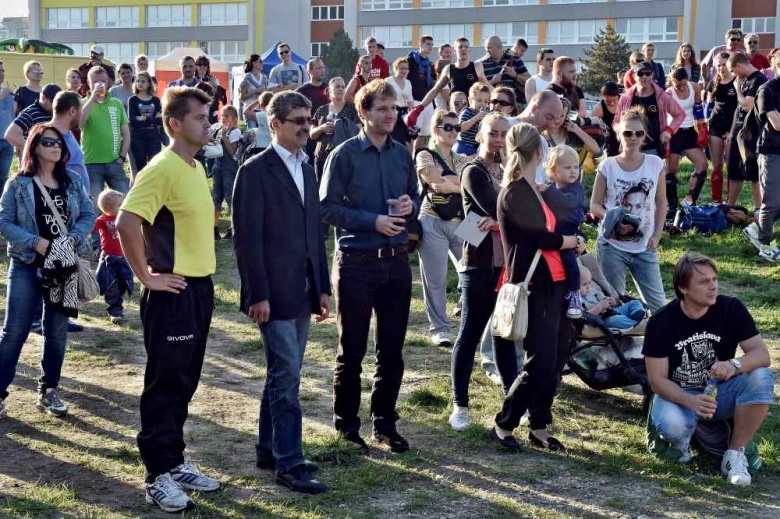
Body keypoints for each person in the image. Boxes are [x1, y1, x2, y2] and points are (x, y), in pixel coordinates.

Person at [116, 87, 220, 513]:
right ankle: (156, 475)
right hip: (171, 292)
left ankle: (174, 462)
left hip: (199, 289)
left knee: (185, 381)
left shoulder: (195, 166)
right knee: (165, 384)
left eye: (208, 116)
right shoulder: (160, 168)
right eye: (199, 117)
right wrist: (146, 276)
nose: (208, 123)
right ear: (175, 124)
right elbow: (126, 221)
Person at [232, 90, 330, 494]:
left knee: (283, 373)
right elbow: (246, 240)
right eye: (298, 121)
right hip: (271, 293)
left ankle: (268, 448)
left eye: (308, 119)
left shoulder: (307, 167)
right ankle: (289, 462)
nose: (306, 127)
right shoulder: (254, 170)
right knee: (287, 376)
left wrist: (322, 288)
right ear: (274, 124)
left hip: (303, 290)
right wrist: (257, 294)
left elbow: (315, 233)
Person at [320, 79, 420, 454]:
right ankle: (347, 427)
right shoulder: (343, 154)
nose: (390, 115)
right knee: (352, 351)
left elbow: (415, 195)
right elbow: (327, 208)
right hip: (356, 262)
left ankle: (385, 424)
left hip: (396, 261)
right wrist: (372, 221)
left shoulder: (402, 154)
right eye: (382, 109)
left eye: (394, 108)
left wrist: (411, 205)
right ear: (363, 112)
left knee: (392, 351)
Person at [490, 123, 582, 453]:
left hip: (556, 282)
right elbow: (540, 237)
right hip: (534, 285)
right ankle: (504, 424)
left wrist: (573, 243)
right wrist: (571, 241)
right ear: (540, 152)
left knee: (555, 360)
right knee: (540, 361)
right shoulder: (515, 190)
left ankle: (539, 426)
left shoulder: (534, 188)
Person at [643, 252, 773, 486]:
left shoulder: (731, 308)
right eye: (704, 282)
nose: (713, 286)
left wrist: (734, 365)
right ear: (683, 287)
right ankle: (682, 439)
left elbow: (762, 355)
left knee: (760, 377)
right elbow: (657, 380)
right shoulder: (661, 321)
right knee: (672, 425)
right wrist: (690, 401)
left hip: (718, 393)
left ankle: (735, 454)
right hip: (679, 394)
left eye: (714, 279)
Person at [0, 124, 95, 420]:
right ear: (35, 146)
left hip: (63, 262)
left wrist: (72, 239)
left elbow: (88, 214)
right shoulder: (18, 184)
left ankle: (48, 390)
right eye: (49, 142)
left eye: (59, 143)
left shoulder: (73, 180)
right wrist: (35, 242)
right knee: (14, 331)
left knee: (56, 332)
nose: (56, 147)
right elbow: (4, 222)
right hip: (27, 263)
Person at [448, 113, 519, 431]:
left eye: (504, 134)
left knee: (504, 336)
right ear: (480, 135)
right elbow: (501, 208)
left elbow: (521, 211)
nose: (498, 140)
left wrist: (502, 222)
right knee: (469, 334)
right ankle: (460, 406)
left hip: (508, 265)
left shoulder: (508, 171)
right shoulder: (473, 170)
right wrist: (504, 220)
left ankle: (512, 402)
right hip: (479, 262)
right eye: (493, 133)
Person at [590, 109, 667, 313]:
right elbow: (594, 204)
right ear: (618, 134)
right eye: (627, 133)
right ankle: (621, 334)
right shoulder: (607, 166)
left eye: (638, 133)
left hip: (645, 246)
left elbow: (661, 202)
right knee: (614, 305)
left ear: (644, 135)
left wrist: (657, 235)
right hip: (611, 245)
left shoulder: (655, 164)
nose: (633, 138)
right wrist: (612, 217)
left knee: (660, 308)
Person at [415, 110, 466, 348]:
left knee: (474, 271)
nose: (454, 132)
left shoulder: (461, 157)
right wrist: (458, 183)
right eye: (448, 127)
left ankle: (470, 324)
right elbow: (434, 181)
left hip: (462, 221)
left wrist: (451, 184)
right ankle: (440, 329)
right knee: (435, 279)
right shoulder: (425, 154)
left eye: (457, 128)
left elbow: (470, 185)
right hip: (431, 219)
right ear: (436, 130)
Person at [540, 144, 586, 318]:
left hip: (569, 229)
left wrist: (547, 190)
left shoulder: (577, 188)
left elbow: (567, 202)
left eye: (576, 167)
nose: (573, 171)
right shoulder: (550, 187)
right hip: (553, 230)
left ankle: (575, 293)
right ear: (553, 171)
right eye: (567, 167)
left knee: (568, 259)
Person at [744, 51, 780, 261]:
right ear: (775, 66)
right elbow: (776, 123)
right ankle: (766, 244)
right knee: (771, 202)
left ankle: (756, 228)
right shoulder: (767, 89)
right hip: (771, 151)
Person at [80, 66, 131, 202]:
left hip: (114, 162)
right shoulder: (83, 103)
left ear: (108, 82)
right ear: (88, 83)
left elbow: (126, 133)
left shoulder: (116, 103)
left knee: (126, 200)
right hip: (91, 163)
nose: (99, 84)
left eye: (103, 81)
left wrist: (122, 157)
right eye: (95, 81)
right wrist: (93, 98)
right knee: (95, 204)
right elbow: (80, 123)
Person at [614, 62, 685, 157]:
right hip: (631, 148)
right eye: (640, 74)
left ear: (652, 75)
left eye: (648, 73)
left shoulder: (662, 96)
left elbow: (680, 114)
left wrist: (668, 130)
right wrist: (622, 132)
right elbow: (616, 121)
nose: (644, 77)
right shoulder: (625, 97)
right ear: (634, 76)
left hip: (654, 148)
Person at [665, 67, 709, 212]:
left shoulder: (694, 87)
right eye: (678, 85)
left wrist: (702, 128)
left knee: (702, 165)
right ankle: (671, 206)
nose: (682, 88)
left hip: (689, 131)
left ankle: (690, 200)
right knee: (671, 171)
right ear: (672, 82)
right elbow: (663, 116)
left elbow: (698, 109)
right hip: (674, 133)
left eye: (684, 84)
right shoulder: (668, 93)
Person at [726, 52, 766, 208]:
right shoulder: (743, 79)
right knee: (735, 172)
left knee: (755, 174)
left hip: (753, 133)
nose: (733, 74)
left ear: (739, 65)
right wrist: (732, 132)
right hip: (739, 132)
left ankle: (758, 210)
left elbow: (747, 105)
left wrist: (737, 90)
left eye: (733, 70)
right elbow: (738, 109)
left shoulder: (758, 79)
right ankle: (730, 206)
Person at [93, 189, 133, 324]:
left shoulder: (125, 218)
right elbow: (91, 227)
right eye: (119, 205)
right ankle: (115, 312)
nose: (122, 208)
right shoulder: (102, 220)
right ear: (107, 209)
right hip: (108, 259)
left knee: (122, 285)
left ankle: (118, 305)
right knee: (111, 286)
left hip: (124, 258)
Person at [310, 77, 360, 182]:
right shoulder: (321, 110)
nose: (341, 89)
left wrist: (342, 127)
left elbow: (358, 131)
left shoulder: (352, 109)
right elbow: (312, 134)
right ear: (329, 90)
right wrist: (321, 128)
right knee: (321, 188)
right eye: (337, 86)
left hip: (344, 158)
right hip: (322, 157)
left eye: (343, 87)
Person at [705, 52, 737, 203]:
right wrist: (705, 121)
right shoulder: (713, 82)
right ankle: (716, 200)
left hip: (732, 127)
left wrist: (733, 131)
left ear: (729, 64)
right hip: (716, 125)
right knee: (717, 165)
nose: (721, 68)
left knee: (731, 165)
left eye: (724, 64)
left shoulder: (737, 81)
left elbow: (740, 107)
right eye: (718, 65)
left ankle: (730, 201)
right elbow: (708, 104)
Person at [579, 266, 646, 329]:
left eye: (589, 283)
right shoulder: (577, 300)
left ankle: (635, 318)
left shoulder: (592, 290)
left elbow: (603, 298)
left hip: (612, 311)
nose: (588, 287)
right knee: (617, 320)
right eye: (584, 284)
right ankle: (636, 322)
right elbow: (583, 318)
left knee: (635, 303)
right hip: (603, 320)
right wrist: (600, 306)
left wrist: (610, 301)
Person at [210, 106, 242, 241]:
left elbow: (232, 152)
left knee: (230, 198)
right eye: (222, 115)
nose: (223, 118)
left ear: (234, 118)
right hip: (217, 167)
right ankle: (214, 228)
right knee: (216, 198)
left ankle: (233, 227)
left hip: (229, 169)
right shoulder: (218, 129)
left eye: (227, 116)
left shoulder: (235, 132)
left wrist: (224, 136)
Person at [4, 83, 61, 154]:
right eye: (54, 103)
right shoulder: (30, 113)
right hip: (34, 158)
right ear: (44, 98)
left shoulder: (54, 112)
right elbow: (10, 134)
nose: (57, 106)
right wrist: (32, 151)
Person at [50, 91, 89, 192]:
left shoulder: (68, 132)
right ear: (72, 111)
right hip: (65, 198)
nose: (82, 114)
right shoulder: (49, 138)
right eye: (81, 110)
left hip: (80, 197)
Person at [476, 35, 529, 108]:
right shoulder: (480, 64)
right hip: (492, 106)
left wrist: (515, 75)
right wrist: (492, 81)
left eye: (489, 47)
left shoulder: (515, 59)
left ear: (499, 47)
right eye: (486, 48)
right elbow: (476, 88)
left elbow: (529, 81)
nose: (486, 50)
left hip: (514, 106)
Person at [542, 97, 601, 162]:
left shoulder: (571, 134)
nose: (558, 120)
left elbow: (597, 150)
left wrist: (576, 129)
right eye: (554, 115)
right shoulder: (540, 134)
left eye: (562, 116)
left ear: (566, 116)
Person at [405, 35, 436, 151]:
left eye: (432, 44)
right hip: (414, 100)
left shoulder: (429, 64)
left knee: (424, 134)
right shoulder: (410, 60)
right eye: (428, 44)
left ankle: (418, 157)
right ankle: (409, 158)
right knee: (412, 133)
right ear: (420, 44)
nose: (430, 47)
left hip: (426, 101)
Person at [128, 72, 163, 175]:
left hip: (153, 136)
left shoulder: (156, 100)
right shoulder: (132, 100)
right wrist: (153, 119)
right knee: (140, 168)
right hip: (137, 137)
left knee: (154, 166)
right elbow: (133, 121)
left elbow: (161, 120)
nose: (140, 83)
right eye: (138, 81)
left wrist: (145, 118)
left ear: (149, 83)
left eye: (143, 81)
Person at [455, 82, 490, 156]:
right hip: (463, 146)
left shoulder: (485, 114)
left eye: (485, 102)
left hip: (474, 148)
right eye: (479, 100)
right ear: (470, 100)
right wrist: (476, 118)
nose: (482, 104)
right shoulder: (467, 112)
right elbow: (461, 128)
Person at [388, 57, 415, 147]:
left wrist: (412, 116)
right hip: (392, 112)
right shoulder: (388, 81)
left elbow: (410, 101)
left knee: (406, 139)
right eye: (402, 68)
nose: (404, 71)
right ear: (396, 69)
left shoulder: (408, 82)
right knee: (394, 137)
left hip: (404, 114)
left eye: (406, 69)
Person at [592, 81, 621, 157]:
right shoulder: (598, 108)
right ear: (603, 96)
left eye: (615, 100)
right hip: (612, 143)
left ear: (618, 95)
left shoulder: (625, 101)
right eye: (608, 101)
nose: (612, 103)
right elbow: (591, 128)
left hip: (628, 137)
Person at [196, 56, 227, 126]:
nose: (202, 66)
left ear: (208, 67)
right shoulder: (193, 79)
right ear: (196, 66)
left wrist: (215, 86)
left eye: (205, 64)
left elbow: (222, 100)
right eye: (200, 64)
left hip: (212, 113)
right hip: (197, 111)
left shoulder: (213, 79)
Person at [239, 54, 268, 127]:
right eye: (260, 61)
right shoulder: (247, 77)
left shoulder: (264, 77)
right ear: (253, 63)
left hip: (261, 110)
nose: (262, 63)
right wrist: (255, 91)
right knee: (252, 132)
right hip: (250, 110)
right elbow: (242, 97)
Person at [243, 91, 274, 159]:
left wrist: (257, 101)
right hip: (271, 147)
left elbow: (246, 112)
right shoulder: (275, 115)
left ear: (261, 104)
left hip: (262, 147)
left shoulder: (264, 115)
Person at [0, 61, 13, 185]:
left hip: (8, 142)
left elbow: (13, 116)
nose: (2, 73)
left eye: (3, 71)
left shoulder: (8, 93)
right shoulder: (4, 94)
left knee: (3, 178)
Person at [432, 44, 453, 111]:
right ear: (440, 53)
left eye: (450, 52)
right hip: (443, 113)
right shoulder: (441, 81)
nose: (449, 54)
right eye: (446, 52)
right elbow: (450, 100)